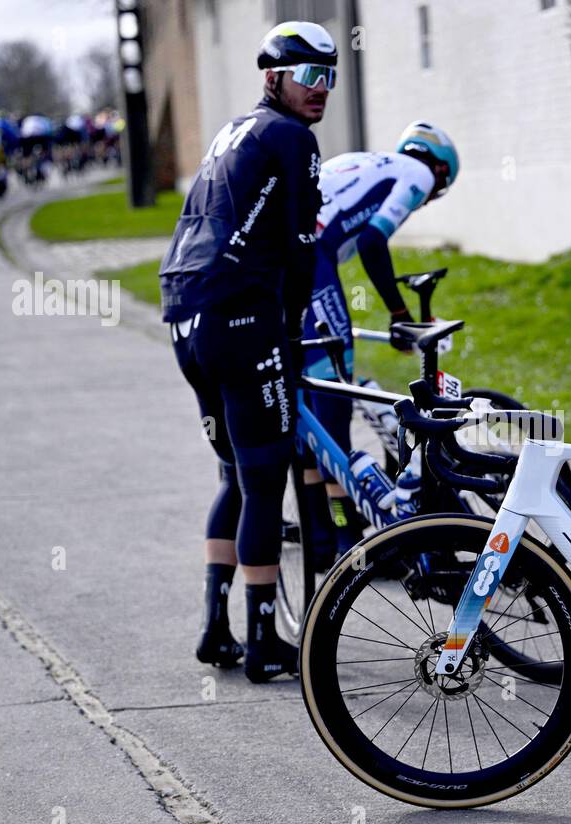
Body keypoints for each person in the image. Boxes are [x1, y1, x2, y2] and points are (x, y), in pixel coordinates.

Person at [159, 20, 336, 683]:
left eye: (329, 76)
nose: (320, 90)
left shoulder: (235, 130)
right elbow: (299, 243)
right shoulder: (293, 137)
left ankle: (216, 628)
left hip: (184, 310)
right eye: (308, 77)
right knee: (265, 475)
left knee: (234, 474)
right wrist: (290, 330)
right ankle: (264, 643)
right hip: (238, 312)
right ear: (274, 78)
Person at [299, 122, 460, 559]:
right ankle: (348, 541)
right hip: (312, 261)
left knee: (310, 410)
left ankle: (323, 537)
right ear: (439, 171)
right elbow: (372, 242)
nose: (427, 199)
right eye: (438, 190)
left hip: (288, 256)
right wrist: (399, 314)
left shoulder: (364, 160)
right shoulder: (417, 173)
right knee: (332, 403)